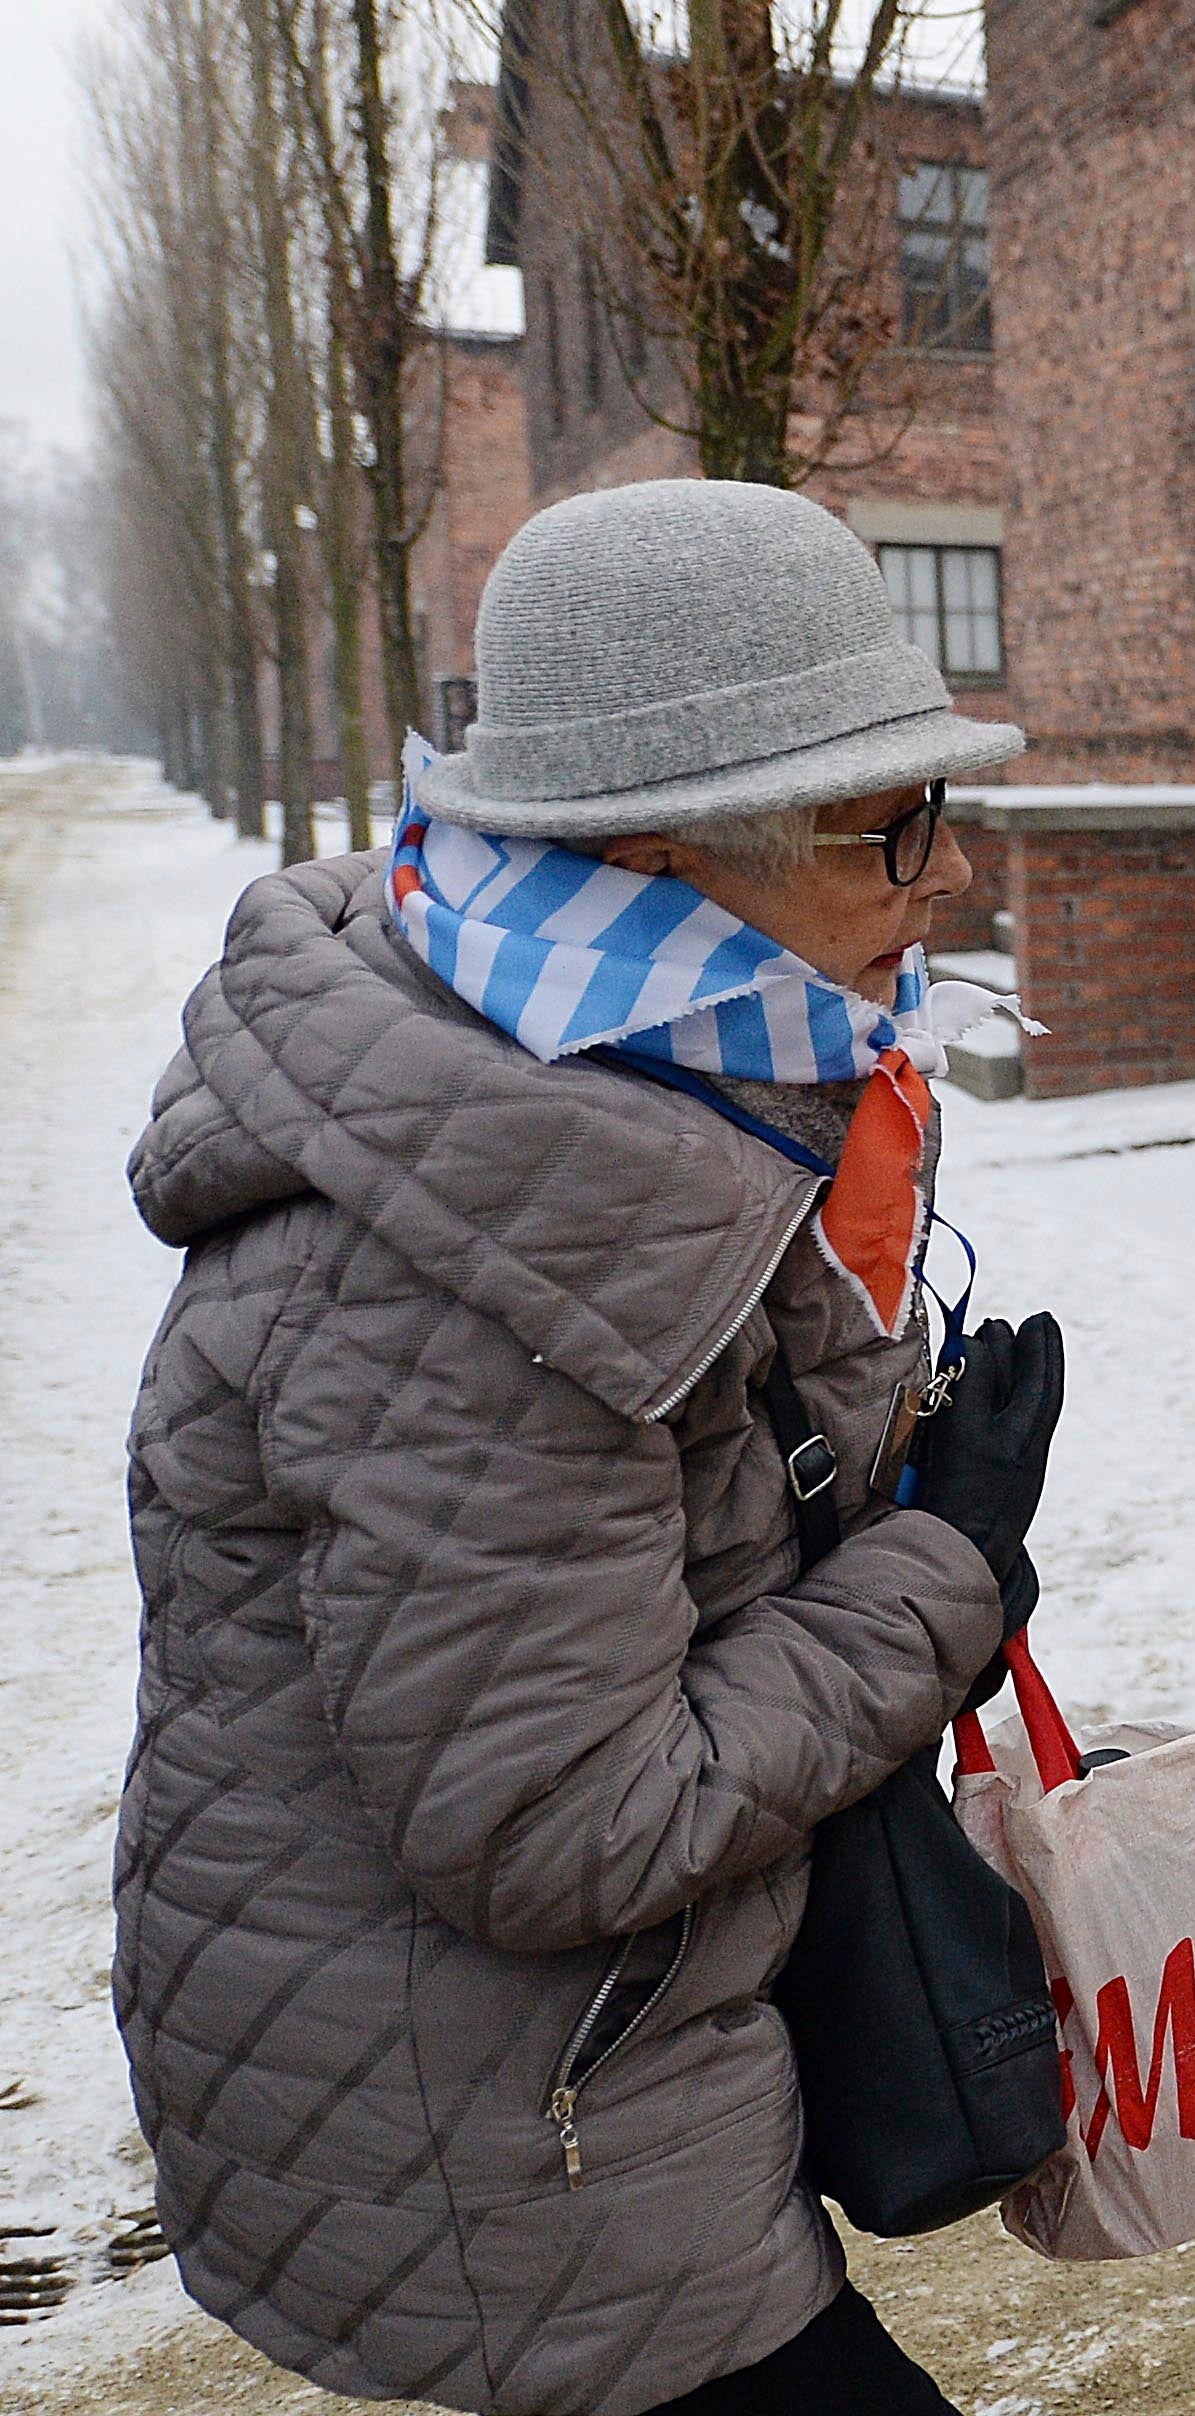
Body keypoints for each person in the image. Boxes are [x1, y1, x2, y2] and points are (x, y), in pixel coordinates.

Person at [113, 479, 1062, 2416]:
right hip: (511, 2132)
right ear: (665, 853)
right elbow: (569, 1819)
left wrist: (889, 1438)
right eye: (900, 825)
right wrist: (938, 1566)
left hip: (575, 2055)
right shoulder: (456, 1253)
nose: (950, 875)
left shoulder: (600, 1056)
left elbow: (686, 1483)